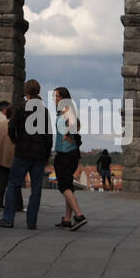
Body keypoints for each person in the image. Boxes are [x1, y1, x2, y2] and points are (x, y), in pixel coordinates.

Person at [0, 80, 50, 230]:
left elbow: (11, 127)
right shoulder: (44, 111)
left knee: (13, 185)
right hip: (39, 154)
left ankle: (8, 219)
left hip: (22, 152)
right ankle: (31, 222)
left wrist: (16, 142)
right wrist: (47, 154)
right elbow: (48, 135)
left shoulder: (20, 108)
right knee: (36, 188)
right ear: (38, 91)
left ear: (26, 92)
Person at [52, 87, 87, 230]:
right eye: (54, 96)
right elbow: (78, 124)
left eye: (57, 96)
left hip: (65, 155)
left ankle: (79, 216)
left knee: (63, 186)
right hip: (70, 154)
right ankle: (67, 219)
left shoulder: (66, 110)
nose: (55, 99)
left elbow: (74, 124)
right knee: (68, 186)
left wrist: (67, 133)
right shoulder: (66, 111)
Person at [0, 101, 21, 213]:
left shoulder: (0, 125)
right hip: (14, 156)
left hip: (1, 156)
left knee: (1, 180)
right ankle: (18, 204)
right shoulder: (17, 126)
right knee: (16, 181)